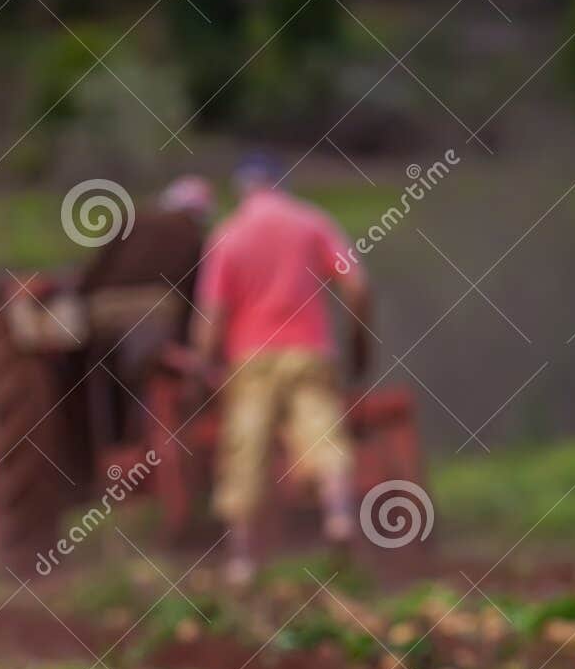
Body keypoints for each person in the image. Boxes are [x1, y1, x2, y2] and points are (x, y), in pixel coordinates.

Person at [192, 153, 372, 585]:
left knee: (246, 449)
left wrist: (203, 364)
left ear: (244, 189)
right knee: (322, 431)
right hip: (310, 350)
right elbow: (358, 285)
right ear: (281, 183)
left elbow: (212, 315)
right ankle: (339, 517)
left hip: (251, 358)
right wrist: (358, 340)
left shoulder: (228, 235)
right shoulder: (312, 223)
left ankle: (242, 558)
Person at [80, 176, 215, 447]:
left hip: (104, 309)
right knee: (150, 370)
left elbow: (95, 272)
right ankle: (143, 433)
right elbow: (197, 292)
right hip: (159, 312)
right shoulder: (194, 235)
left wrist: (81, 298)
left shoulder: (134, 219)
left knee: (100, 370)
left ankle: (108, 439)